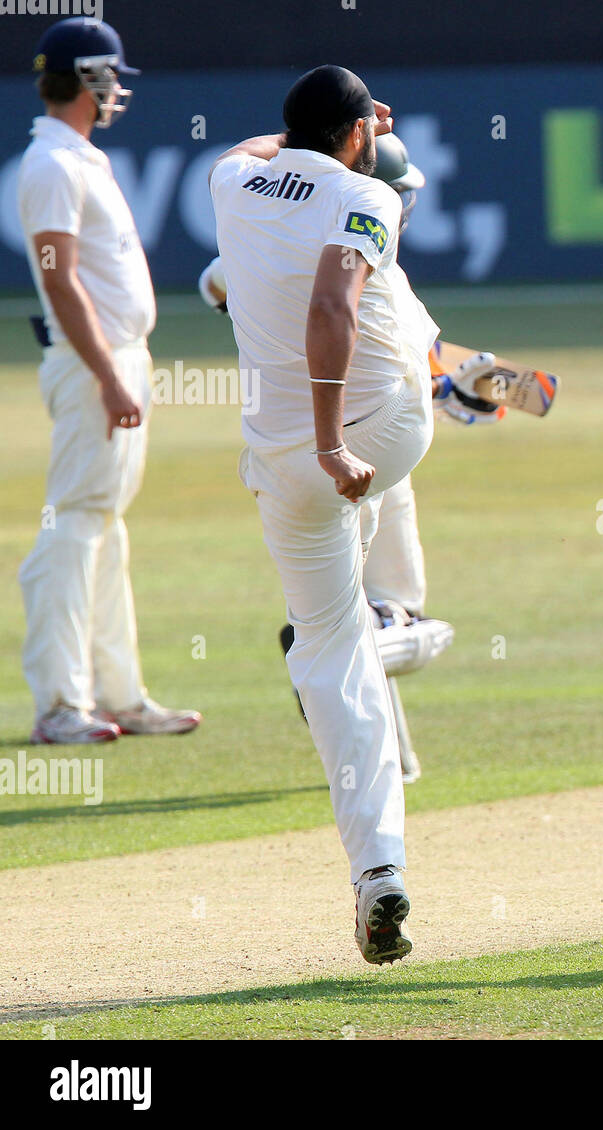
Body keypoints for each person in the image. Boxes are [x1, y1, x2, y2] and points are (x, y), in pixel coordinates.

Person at [208, 65, 439, 964]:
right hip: (376, 431)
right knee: (344, 638)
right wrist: (336, 440)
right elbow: (331, 304)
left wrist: (335, 126)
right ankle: (399, 627)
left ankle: (377, 869)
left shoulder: (232, 180)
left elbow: (251, 146)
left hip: (280, 461)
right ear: (358, 137)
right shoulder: (367, 194)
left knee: (329, 653)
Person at [199, 132, 500, 782]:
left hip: (282, 444)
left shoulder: (266, 236)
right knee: (379, 610)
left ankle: (390, 749)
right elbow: (401, 363)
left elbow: (214, 284)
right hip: (353, 445)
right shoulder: (375, 266)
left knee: (345, 600)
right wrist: (454, 390)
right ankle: (369, 636)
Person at [17, 17, 201, 745]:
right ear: (90, 77)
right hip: (95, 364)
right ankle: (61, 704)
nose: (119, 88)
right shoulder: (53, 165)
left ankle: (119, 695)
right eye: (112, 75)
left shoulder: (80, 159)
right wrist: (106, 375)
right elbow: (62, 284)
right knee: (71, 528)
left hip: (120, 358)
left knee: (103, 527)